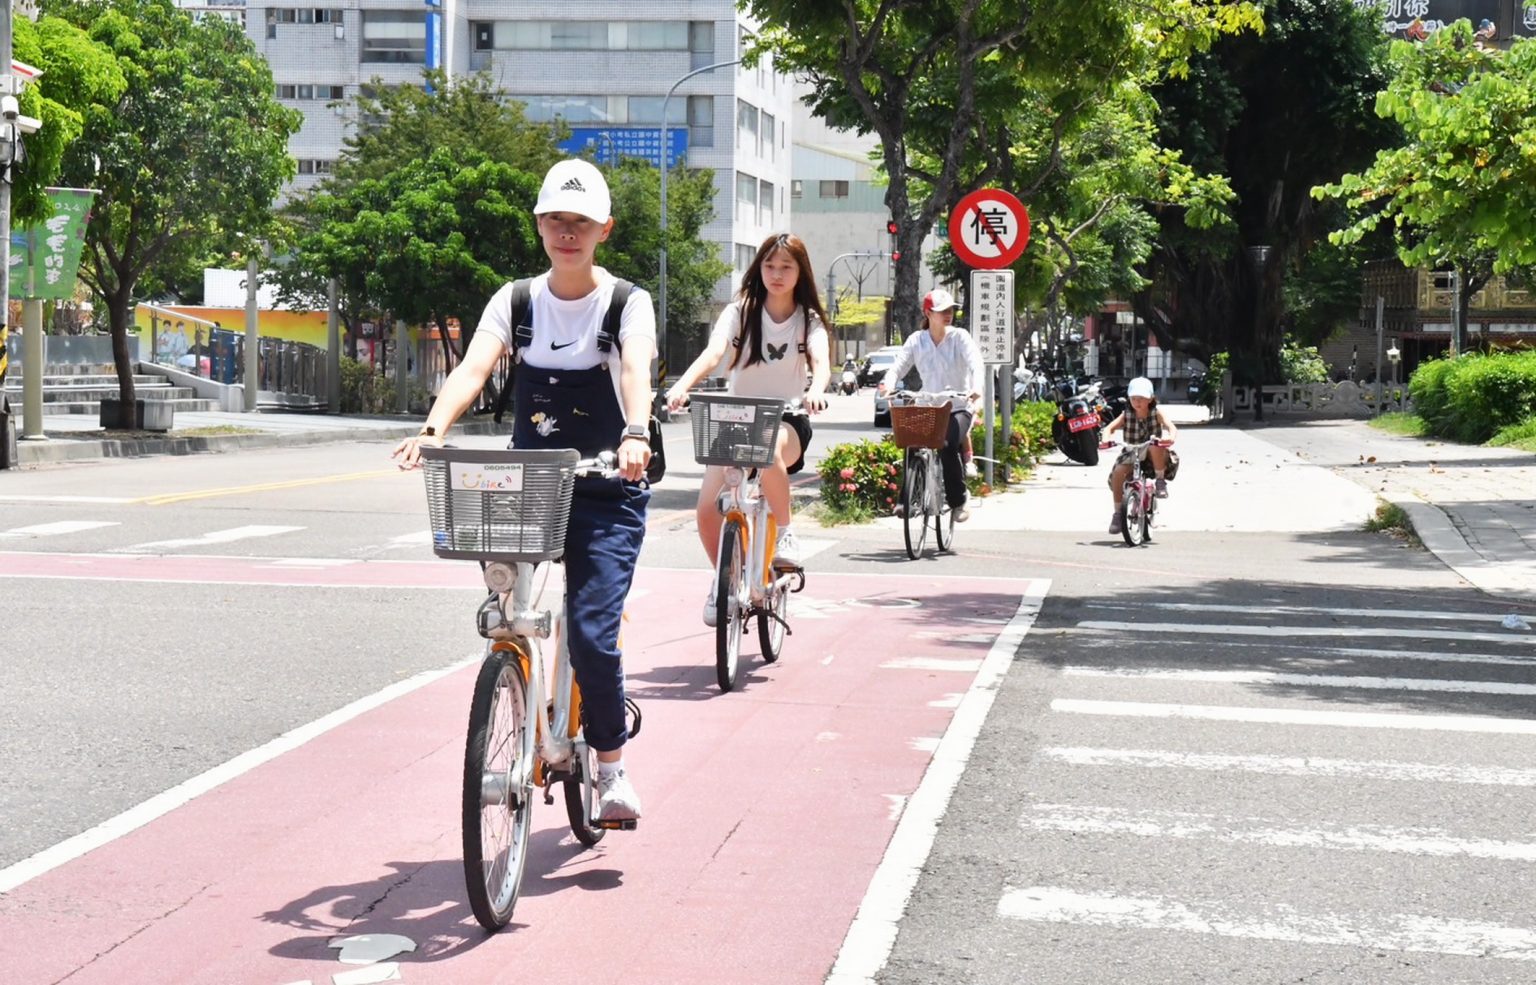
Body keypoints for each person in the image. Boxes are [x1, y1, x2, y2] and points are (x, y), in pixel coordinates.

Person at [392, 159, 653, 822]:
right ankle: (522, 689)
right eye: (556, 220)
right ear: (539, 224)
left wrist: (635, 432)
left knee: (593, 631)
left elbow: (633, 367)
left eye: (582, 222)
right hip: (534, 483)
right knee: (507, 609)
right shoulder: (515, 301)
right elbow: (475, 366)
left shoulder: (625, 302)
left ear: (604, 230)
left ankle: (613, 767)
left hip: (606, 483)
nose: (568, 232)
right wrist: (433, 428)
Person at [665, 233, 831, 626]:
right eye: (770, 266)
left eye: (786, 267)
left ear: (800, 273)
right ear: (759, 268)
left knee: (767, 450)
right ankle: (724, 581)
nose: (776, 274)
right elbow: (714, 353)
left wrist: (817, 390)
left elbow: (821, 363)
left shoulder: (807, 322)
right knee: (707, 511)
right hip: (735, 419)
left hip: (788, 419)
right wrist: (681, 386)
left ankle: (786, 533)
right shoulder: (739, 312)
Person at [876, 287, 983, 522]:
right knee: (911, 441)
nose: (947, 314)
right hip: (929, 405)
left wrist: (976, 389)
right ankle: (906, 500)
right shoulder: (917, 340)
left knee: (946, 443)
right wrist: (888, 384)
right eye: (941, 310)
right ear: (927, 313)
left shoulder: (960, 337)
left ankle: (958, 500)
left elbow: (976, 362)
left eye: (950, 310)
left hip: (959, 405)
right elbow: (898, 366)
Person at [1104, 375, 1179, 535]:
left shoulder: (1156, 412)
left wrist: (1169, 437)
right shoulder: (1126, 414)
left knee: (1154, 443)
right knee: (1118, 472)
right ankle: (1117, 513)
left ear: (1150, 399)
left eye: (1141, 398)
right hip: (1132, 451)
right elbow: (1109, 428)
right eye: (1133, 398)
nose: (1137, 402)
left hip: (1154, 455)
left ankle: (1159, 481)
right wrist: (1106, 440)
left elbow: (1170, 426)